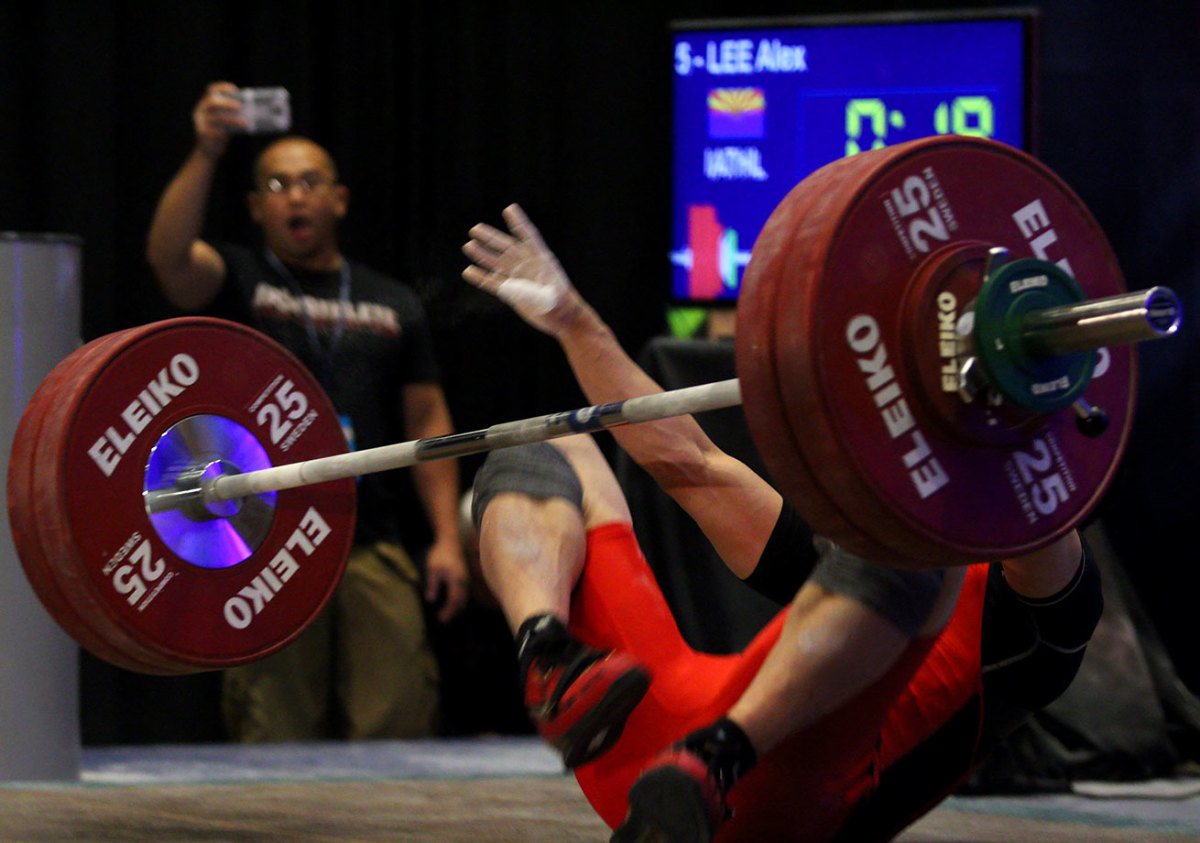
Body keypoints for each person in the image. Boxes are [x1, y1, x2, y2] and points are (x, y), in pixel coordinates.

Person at [461, 204, 1103, 841]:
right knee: (543, 442)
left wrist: (1015, 383)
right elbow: (688, 461)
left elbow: (1040, 518)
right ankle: (545, 653)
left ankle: (724, 752)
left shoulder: (1040, 627)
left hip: (797, 809)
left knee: (906, 548)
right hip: (658, 763)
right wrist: (574, 323)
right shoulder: (850, 567)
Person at [145, 81, 469, 741]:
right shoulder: (237, 279)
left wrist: (445, 538)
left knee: (400, 718)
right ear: (255, 207)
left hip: (369, 538)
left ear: (338, 199)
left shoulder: (392, 300)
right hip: (265, 539)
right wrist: (208, 150)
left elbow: (426, 418)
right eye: (276, 184)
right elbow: (168, 257)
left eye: (310, 180)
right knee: (274, 730)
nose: (295, 194)